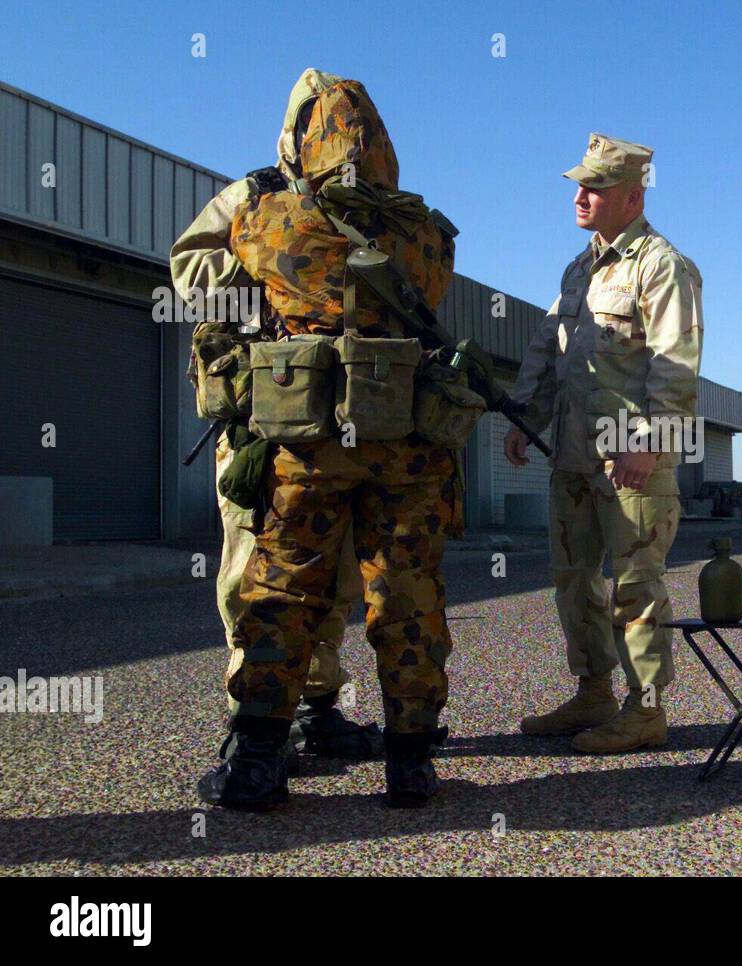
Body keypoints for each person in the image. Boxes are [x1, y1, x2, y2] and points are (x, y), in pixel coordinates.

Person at [195, 74, 462, 810]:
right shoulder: (428, 234)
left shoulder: (275, 216)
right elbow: (433, 291)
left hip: (311, 442)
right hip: (406, 445)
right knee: (407, 599)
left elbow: (215, 257)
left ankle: (256, 763)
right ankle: (411, 766)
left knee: (283, 592)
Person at [171, 68, 380, 764]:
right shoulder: (251, 195)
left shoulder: (362, 203)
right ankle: (252, 717)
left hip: (339, 421)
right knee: (252, 575)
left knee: (335, 574)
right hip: (263, 420)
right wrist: (262, 260)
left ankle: (318, 711)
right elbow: (188, 270)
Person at [506, 133, 703, 754]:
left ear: (632, 195)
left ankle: (645, 710)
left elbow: (676, 364)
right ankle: (594, 693)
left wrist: (650, 440)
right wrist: (523, 415)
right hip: (572, 454)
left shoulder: (660, 265)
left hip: (631, 458)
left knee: (634, 584)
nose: (581, 196)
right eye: (578, 186)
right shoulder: (578, 269)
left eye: (595, 187)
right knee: (573, 579)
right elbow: (549, 348)